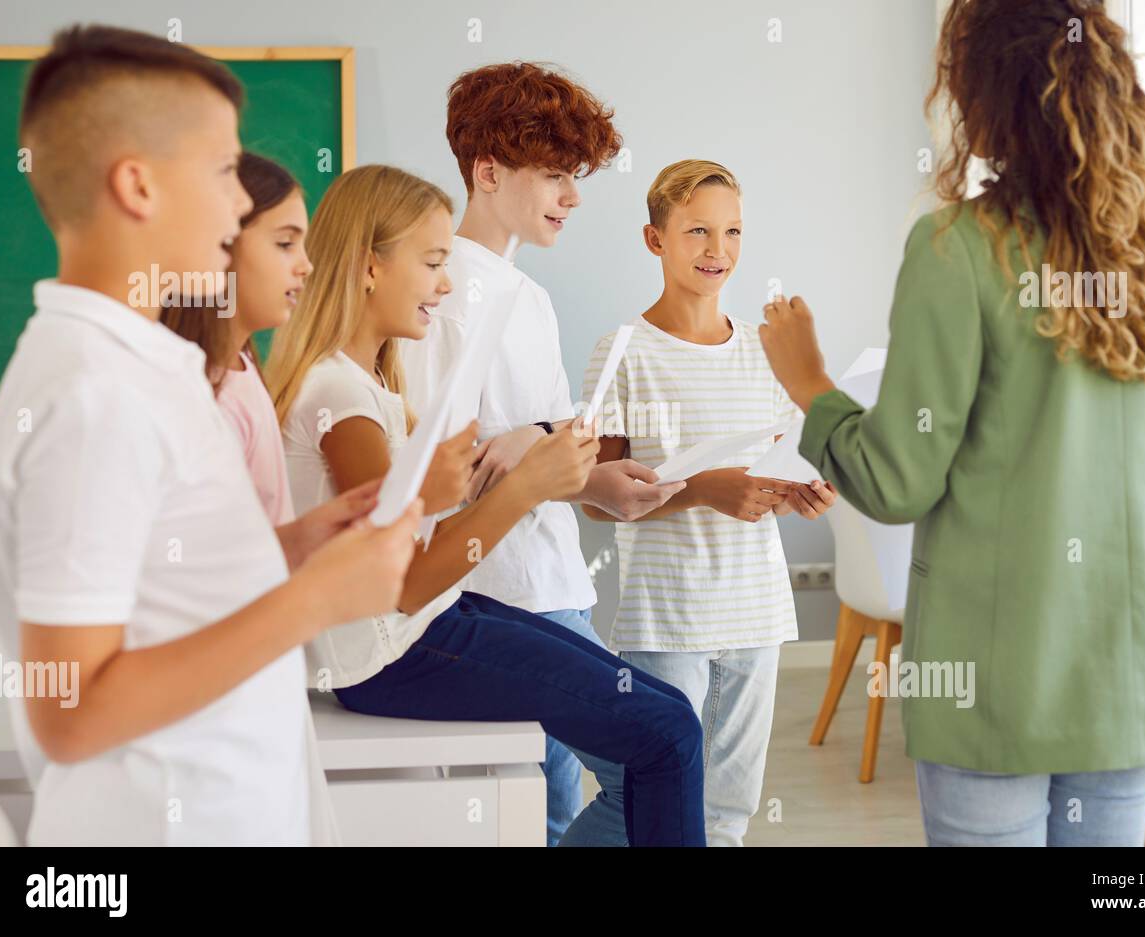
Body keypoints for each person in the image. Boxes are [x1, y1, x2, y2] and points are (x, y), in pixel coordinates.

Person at [758, 0, 1145, 846]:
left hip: (991, 688)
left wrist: (812, 386)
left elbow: (897, 478)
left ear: (983, 96)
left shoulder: (959, 247)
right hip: (1134, 686)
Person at [0, 26, 422, 846]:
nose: (235, 203)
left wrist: (291, 550)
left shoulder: (151, 365)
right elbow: (72, 712)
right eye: (223, 171)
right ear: (137, 185)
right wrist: (315, 599)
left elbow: (165, 592)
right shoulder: (93, 392)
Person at [265, 164, 707, 846]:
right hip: (394, 654)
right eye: (434, 262)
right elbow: (406, 582)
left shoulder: (363, 385)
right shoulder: (341, 402)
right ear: (370, 267)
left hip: (424, 627)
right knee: (668, 733)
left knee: (671, 713)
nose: (446, 284)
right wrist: (528, 483)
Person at [400, 62, 686, 845]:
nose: (574, 195)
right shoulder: (443, 289)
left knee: (560, 803)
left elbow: (541, 452)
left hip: (551, 580)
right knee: (561, 800)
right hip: (500, 592)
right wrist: (538, 448)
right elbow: (443, 469)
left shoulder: (526, 294)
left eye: (575, 176)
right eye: (556, 175)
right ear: (488, 173)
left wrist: (595, 483)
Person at [581, 159, 836, 845]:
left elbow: (779, 464)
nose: (717, 249)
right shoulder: (623, 352)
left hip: (755, 609)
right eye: (696, 230)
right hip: (665, 619)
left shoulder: (765, 349)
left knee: (729, 813)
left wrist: (800, 490)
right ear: (653, 238)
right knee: (656, 800)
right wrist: (702, 490)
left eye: (732, 231)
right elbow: (596, 502)